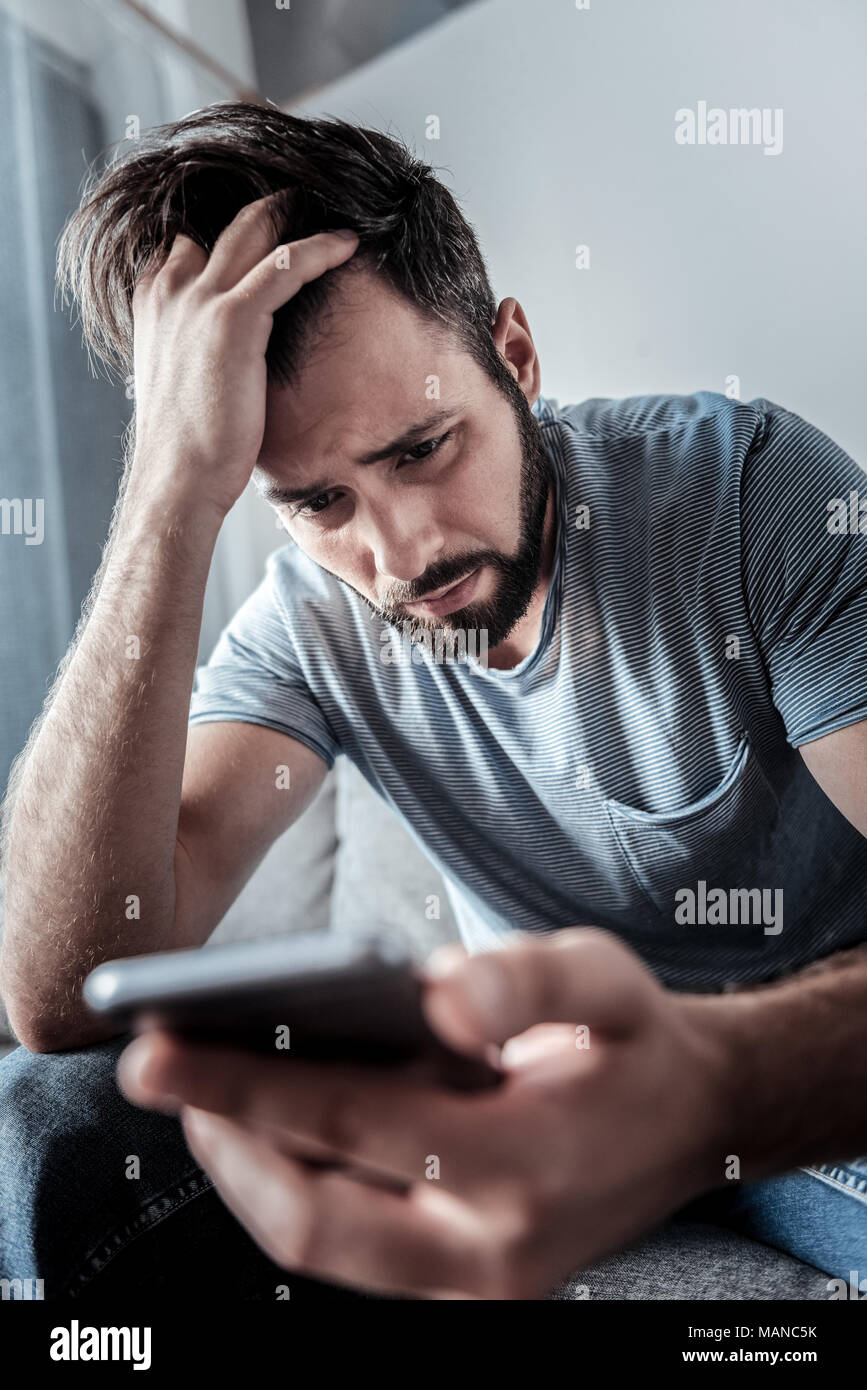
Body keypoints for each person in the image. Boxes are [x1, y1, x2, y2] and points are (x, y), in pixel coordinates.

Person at [0, 103, 865, 1300]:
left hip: (805, 1090)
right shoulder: (310, 621)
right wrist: (166, 491)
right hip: (519, 1098)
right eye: (317, 502)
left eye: (423, 449)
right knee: (51, 1116)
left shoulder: (752, 495)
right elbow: (60, 990)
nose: (399, 553)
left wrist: (716, 1078)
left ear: (515, 354)